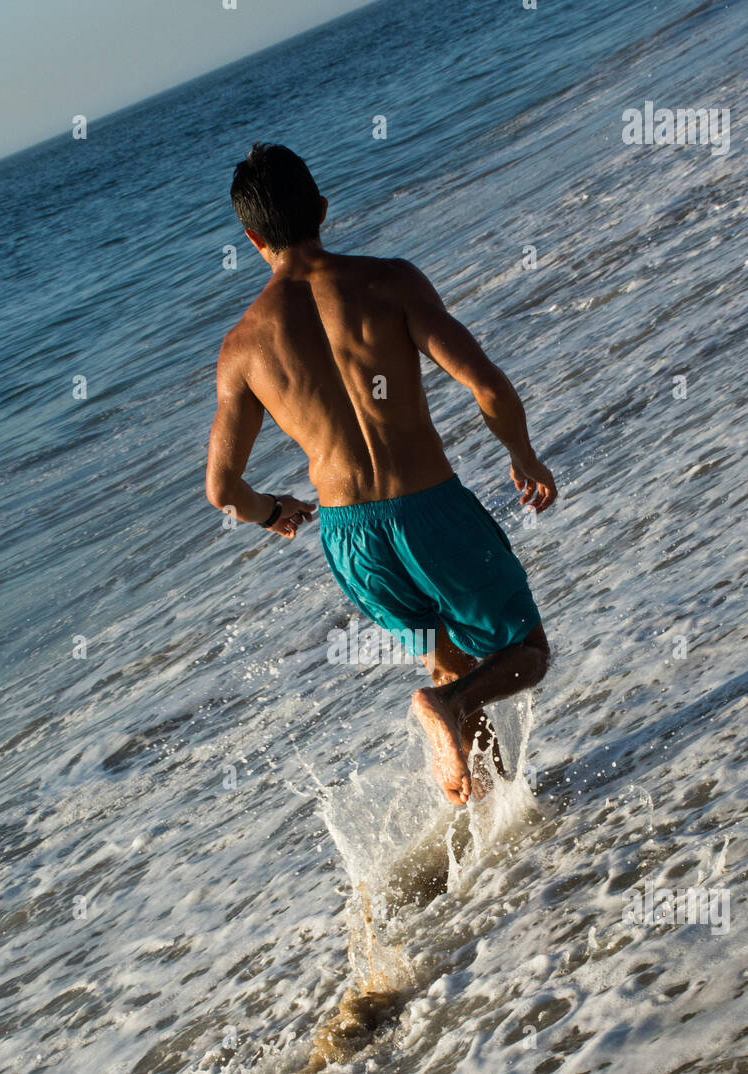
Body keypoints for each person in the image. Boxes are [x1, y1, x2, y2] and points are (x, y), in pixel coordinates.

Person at [205, 143, 557, 805]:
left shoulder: (241, 348)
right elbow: (485, 385)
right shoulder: (387, 282)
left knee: (448, 664)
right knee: (526, 651)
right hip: (430, 511)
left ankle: (499, 829)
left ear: (251, 238)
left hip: (350, 538)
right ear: (321, 207)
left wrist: (273, 511)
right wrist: (523, 455)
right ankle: (444, 708)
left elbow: (223, 490)